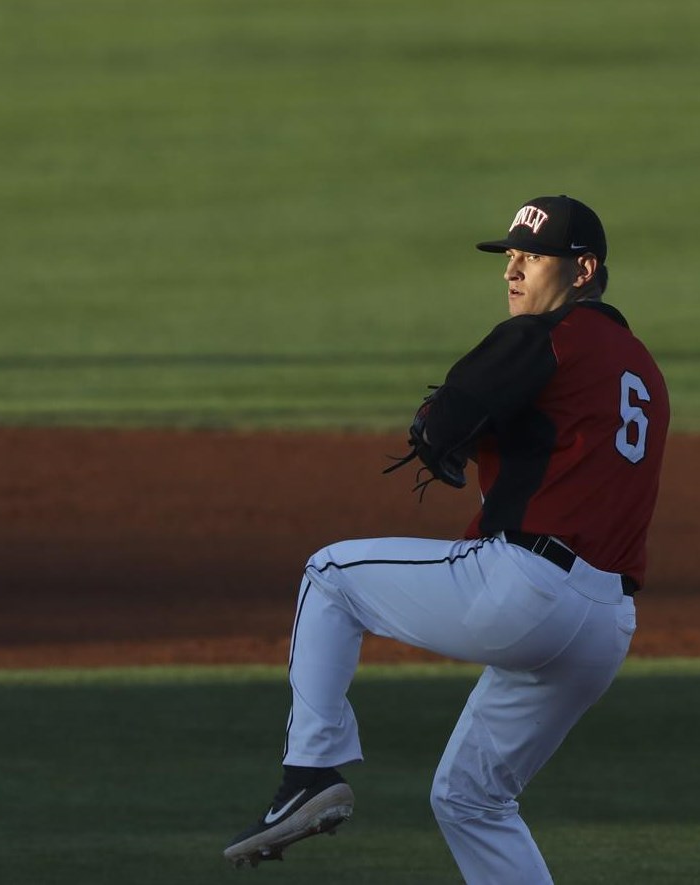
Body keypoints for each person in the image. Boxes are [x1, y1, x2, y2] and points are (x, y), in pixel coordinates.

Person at [223, 195, 670, 883]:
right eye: (510, 255)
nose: (512, 268)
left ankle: (309, 771)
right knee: (471, 797)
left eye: (533, 255)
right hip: (604, 625)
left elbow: (450, 411)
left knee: (330, 574)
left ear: (584, 270)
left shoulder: (548, 336)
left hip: (527, 589)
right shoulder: (642, 370)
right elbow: (561, 439)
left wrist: (438, 427)